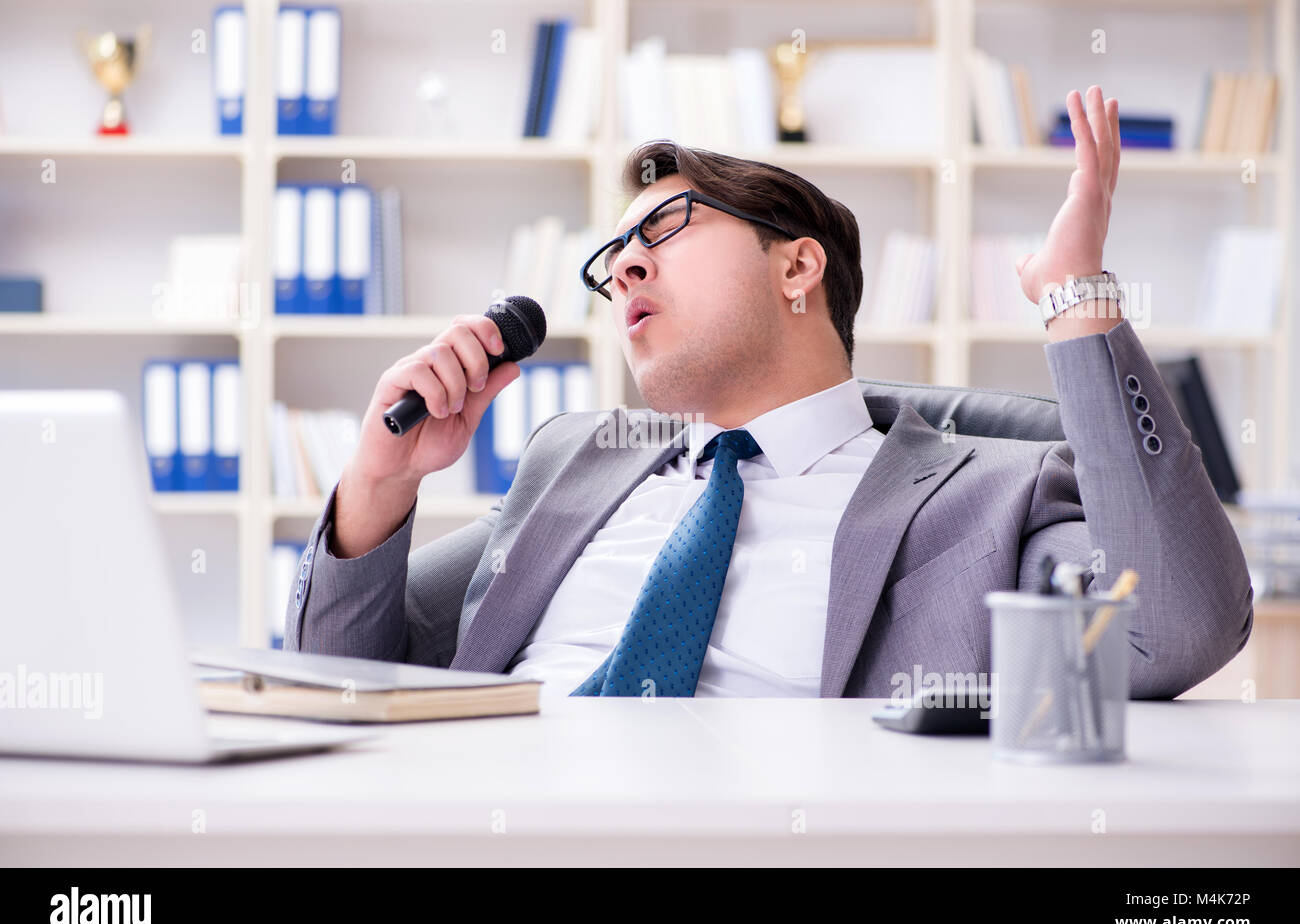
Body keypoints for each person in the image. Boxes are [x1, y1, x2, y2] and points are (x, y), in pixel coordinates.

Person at [284, 86, 1252, 700]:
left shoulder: (988, 495)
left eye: (660, 228)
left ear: (798, 268)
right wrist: (380, 484)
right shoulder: (576, 459)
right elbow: (342, 672)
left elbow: (1171, 626)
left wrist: (1074, 298)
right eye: (611, 259)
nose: (622, 271)